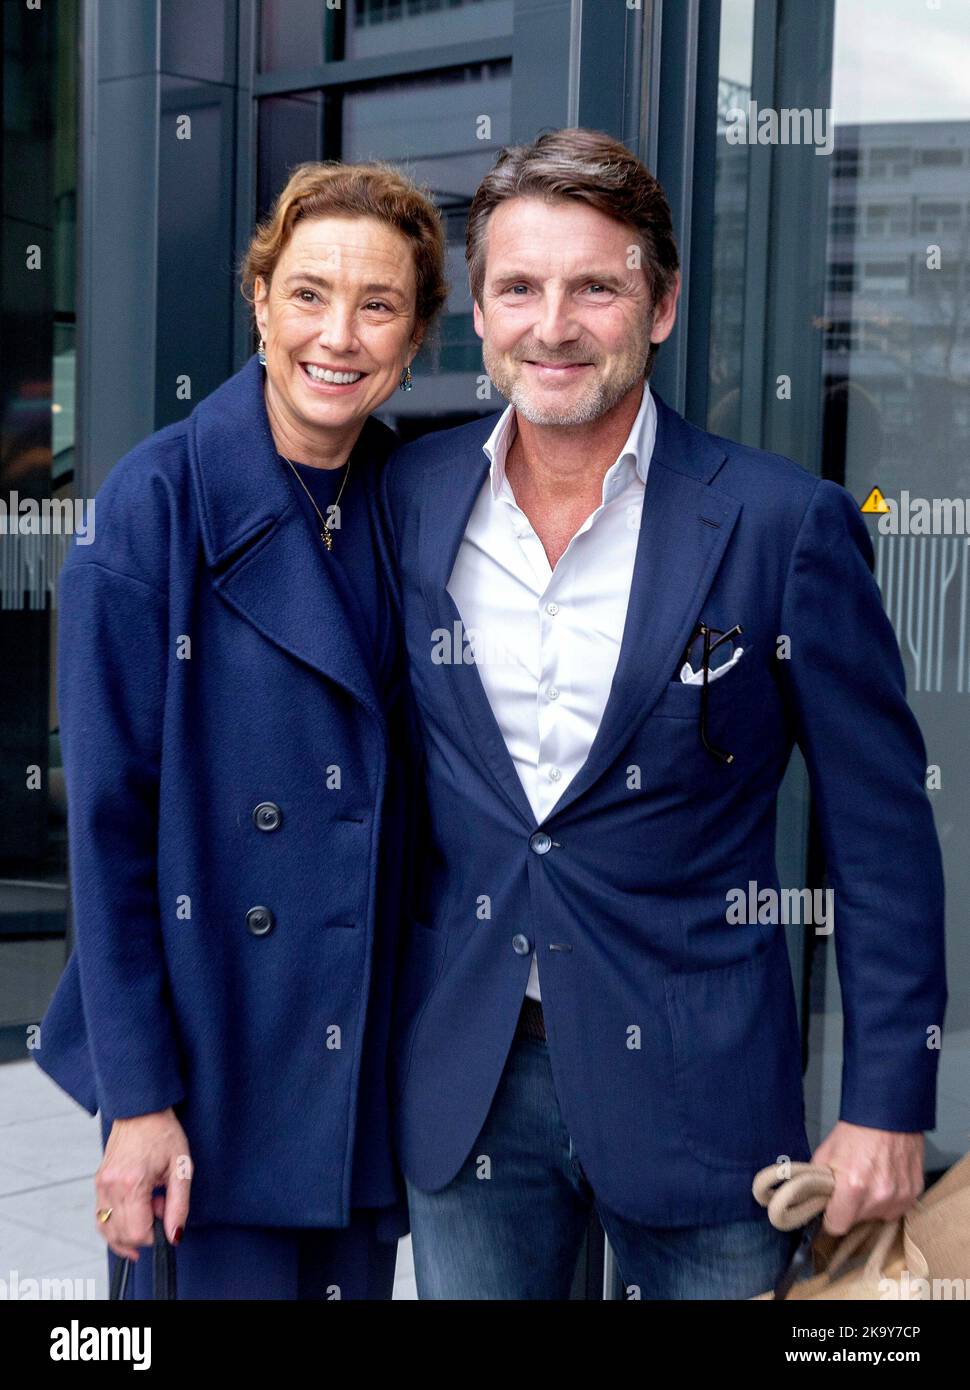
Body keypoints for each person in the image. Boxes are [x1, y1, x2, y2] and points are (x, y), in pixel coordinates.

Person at [381, 128, 948, 1300]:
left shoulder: (782, 523)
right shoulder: (407, 500)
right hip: (470, 1078)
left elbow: (881, 833)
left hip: (701, 1089)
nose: (554, 324)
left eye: (597, 285)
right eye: (519, 287)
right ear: (477, 316)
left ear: (661, 305)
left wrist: (886, 1101)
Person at [32, 161, 447, 1299]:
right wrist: (140, 1101)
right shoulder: (154, 502)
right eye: (309, 294)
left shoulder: (409, 502)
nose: (339, 335)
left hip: (349, 1060)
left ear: (413, 341)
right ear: (259, 303)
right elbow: (110, 836)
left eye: (379, 306)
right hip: (212, 1074)